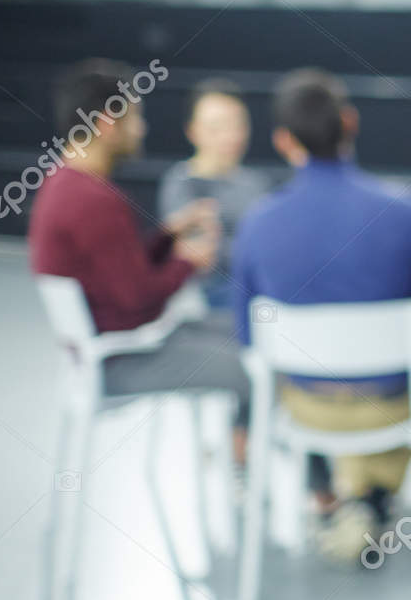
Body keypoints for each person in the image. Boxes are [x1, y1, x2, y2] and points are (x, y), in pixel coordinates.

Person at [231, 69, 411, 561]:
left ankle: (343, 499)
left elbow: (247, 339)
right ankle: (371, 495)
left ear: (283, 141)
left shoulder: (258, 223)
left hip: (306, 406)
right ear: (350, 123)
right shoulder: (408, 212)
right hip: (391, 408)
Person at [28, 58, 251, 461]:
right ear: (107, 124)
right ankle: (250, 481)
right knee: (249, 367)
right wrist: (188, 262)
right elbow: (139, 304)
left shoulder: (65, 185)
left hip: (101, 354)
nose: (142, 129)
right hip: (121, 361)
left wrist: (168, 237)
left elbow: (118, 271)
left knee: (239, 330)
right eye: (135, 118)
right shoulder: (95, 201)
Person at [158, 79, 271, 310]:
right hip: (206, 302)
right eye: (217, 127)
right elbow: (201, 258)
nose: (231, 136)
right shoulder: (181, 183)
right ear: (193, 131)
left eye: (238, 125)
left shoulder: (256, 183)